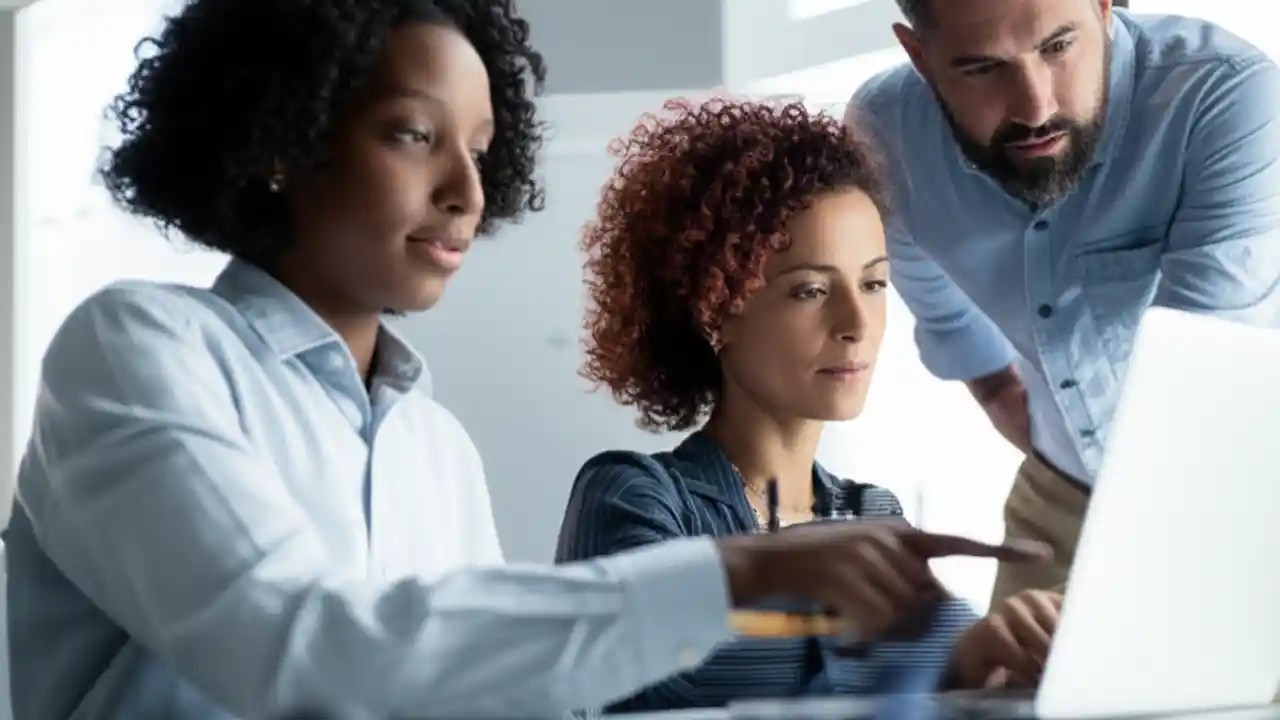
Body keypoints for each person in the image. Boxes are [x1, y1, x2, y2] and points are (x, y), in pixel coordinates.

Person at [1, 2, 1053, 719]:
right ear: (279, 141)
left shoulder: (431, 444)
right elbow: (297, 648)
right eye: (414, 136)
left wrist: (981, 659)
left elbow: (509, 695)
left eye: (482, 146)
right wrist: (736, 577)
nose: (469, 189)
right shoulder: (139, 348)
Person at [556, 98, 1062, 713]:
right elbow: (683, 666)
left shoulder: (874, 513)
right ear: (716, 310)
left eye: (874, 284)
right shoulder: (636, 496)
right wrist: (944, 658)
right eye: (811, 290)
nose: (857, 323)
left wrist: (1010, 649)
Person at [847, 0, 1280, 605]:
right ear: (919, 56)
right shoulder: (887, 131)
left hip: (1242, 485)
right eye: (981, 68)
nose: (1036, 107)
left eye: (1057, 47)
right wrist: (997, 389)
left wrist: (1116, 603)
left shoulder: (1222, 93)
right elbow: (930, 289)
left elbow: (1199, 382)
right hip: (1060, 496)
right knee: (999, 696)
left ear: (1104, 8)